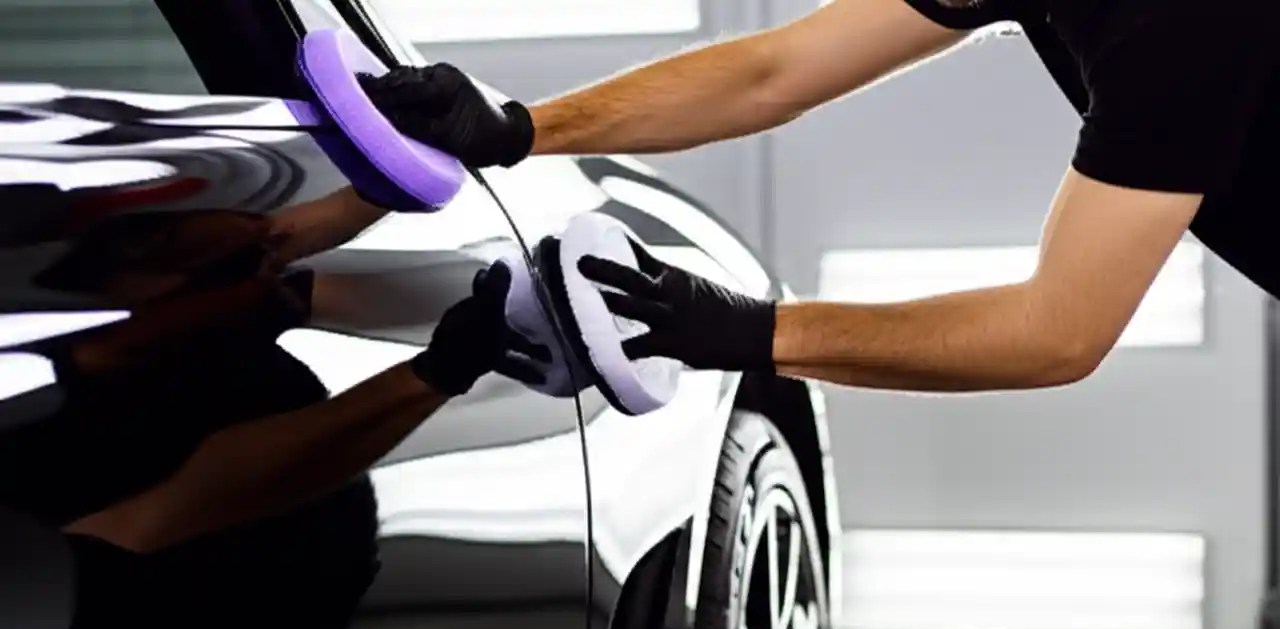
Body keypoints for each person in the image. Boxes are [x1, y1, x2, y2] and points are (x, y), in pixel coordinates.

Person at [356, 0, 1280, 393]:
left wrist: (753, 332)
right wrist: (523, 129)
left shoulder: (1182, 20)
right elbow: (775, 71)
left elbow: (1059, 332)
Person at [1, 195, 543, 629]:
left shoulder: (211, 334)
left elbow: (287, 241)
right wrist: (433, 376)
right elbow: (174, 509)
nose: (272, 252)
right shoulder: (55, 442)